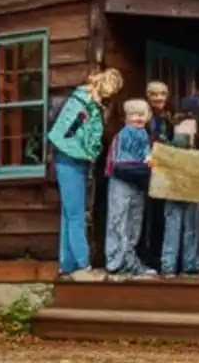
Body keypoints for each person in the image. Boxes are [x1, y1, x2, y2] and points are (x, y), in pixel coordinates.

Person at [46, 68, 123, 281]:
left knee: (69, 214)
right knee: (77, 214)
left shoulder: (87, 103)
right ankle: (82, 264)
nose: (111, 94)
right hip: (71, 161)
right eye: (111, 89)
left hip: (73, 160)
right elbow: (69, 134)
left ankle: (67, 264)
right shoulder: (83, 105)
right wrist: (90, 153)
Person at [104, 99, 157, 278]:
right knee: (118, 220)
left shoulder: (143, 134)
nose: (138, 118)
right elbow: (121, 161)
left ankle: (130, 260)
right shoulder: (124, 134)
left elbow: (146, 154)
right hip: (122, 181)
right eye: (133, 115)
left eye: (142, 114)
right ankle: (115, 261)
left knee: (134, 223)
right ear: (126, 117)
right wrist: (145, 164)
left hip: (137, 182)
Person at [161, 97, 199, 277]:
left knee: (174, 225)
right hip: (188, 184)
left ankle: (169, 265)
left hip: (173, 184)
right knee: (191, 227)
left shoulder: (172, 125)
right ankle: (189, 265)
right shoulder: (189, 126)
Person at [140, 81, 173, 269]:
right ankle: (147, 257)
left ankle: (160, 256)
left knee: (162, 215)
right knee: (147, 215)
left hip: (165, 172)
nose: (159, 98)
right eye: (154, 94)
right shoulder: (145, 118)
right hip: (148, 171)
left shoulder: (169, 118)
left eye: (162, 93)